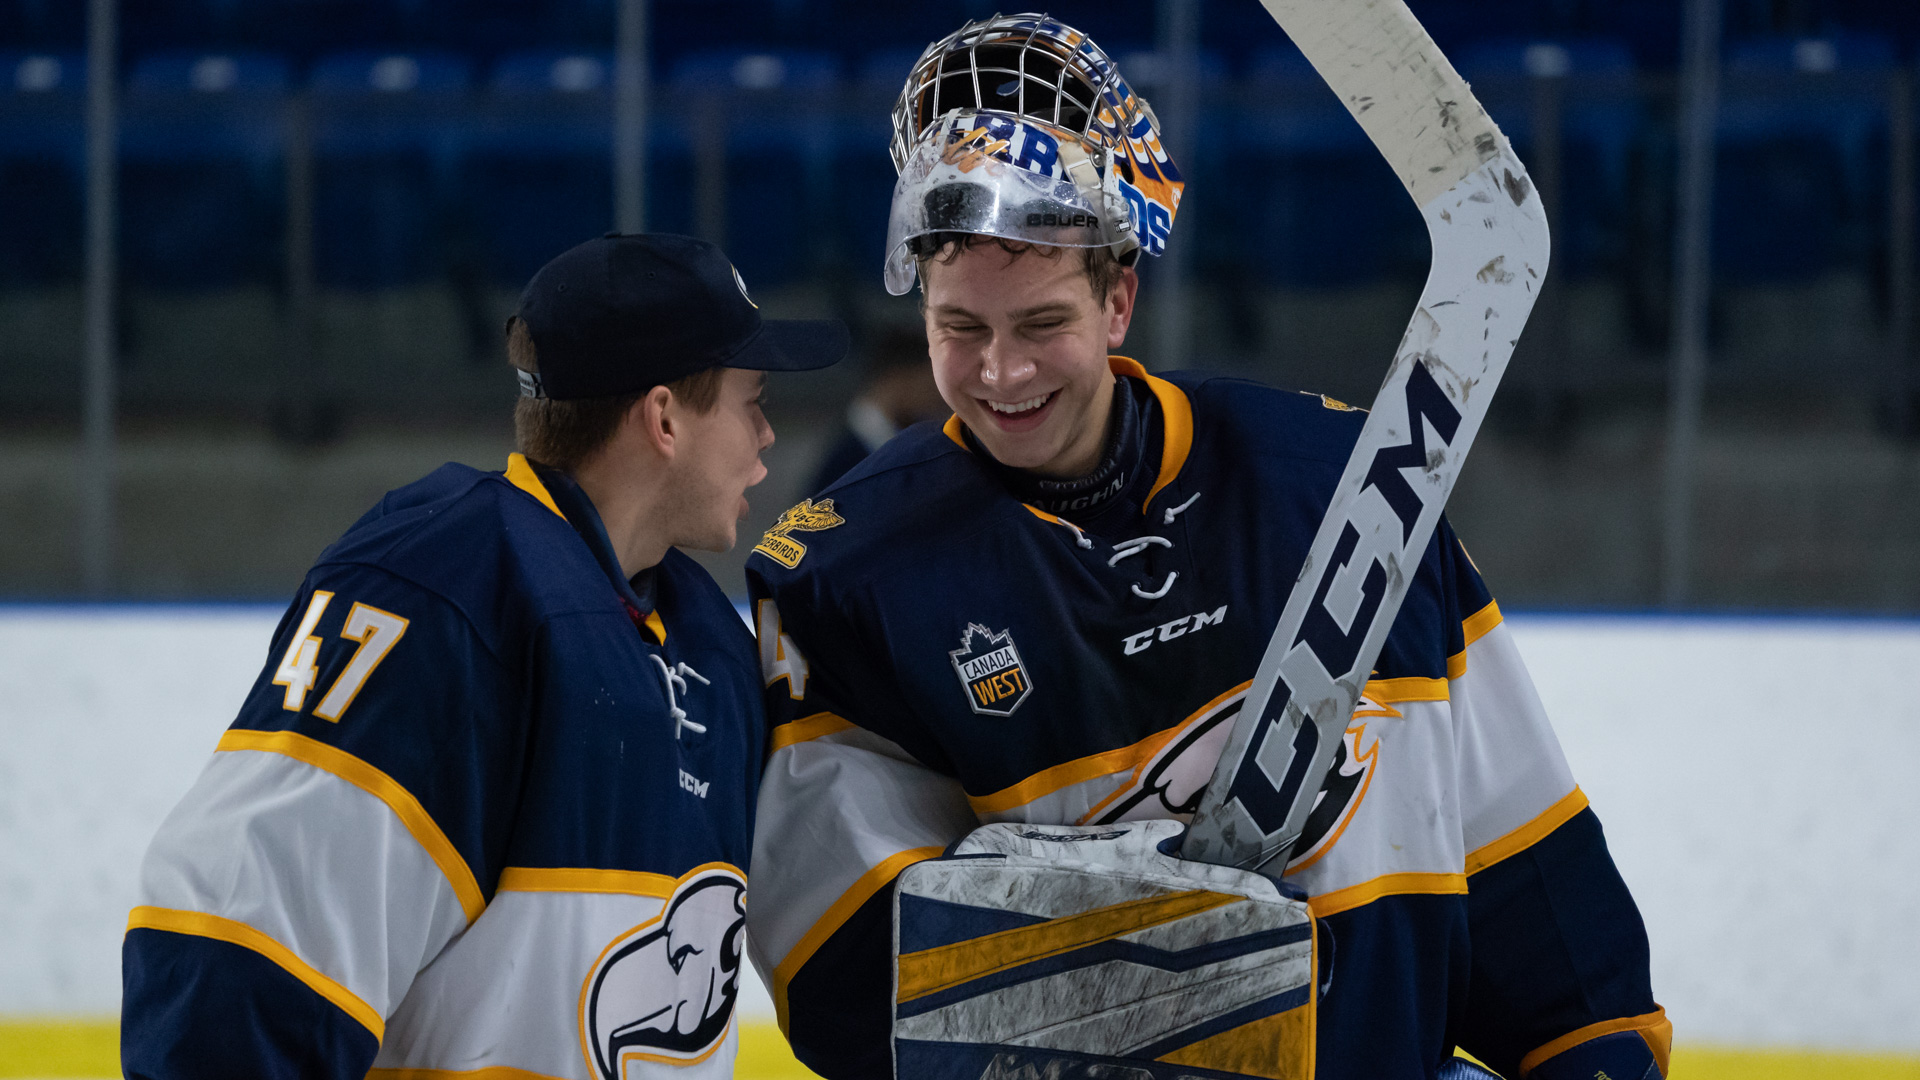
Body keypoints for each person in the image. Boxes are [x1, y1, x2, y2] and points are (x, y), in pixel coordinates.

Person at [744, 15, 1667, 1080]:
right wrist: (1184, 976)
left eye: (1041, 325)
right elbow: (846, 970)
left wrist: (1594, 1055)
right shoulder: (849, 579)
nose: (1000, 373)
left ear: (1118, 301)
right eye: (962, 330)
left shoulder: (1342, 482)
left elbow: (1518, 847)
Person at [121, 233, 846, 1080]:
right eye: (749, 399)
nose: (767, 435)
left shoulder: (713, 644)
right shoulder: (445, 588)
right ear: (663, 418)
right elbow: (236, 948)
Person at [804, 325, 949, 496]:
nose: (937, 397)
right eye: (928, 385)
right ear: (898, 379)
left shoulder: (897, 439)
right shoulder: (848, 461)